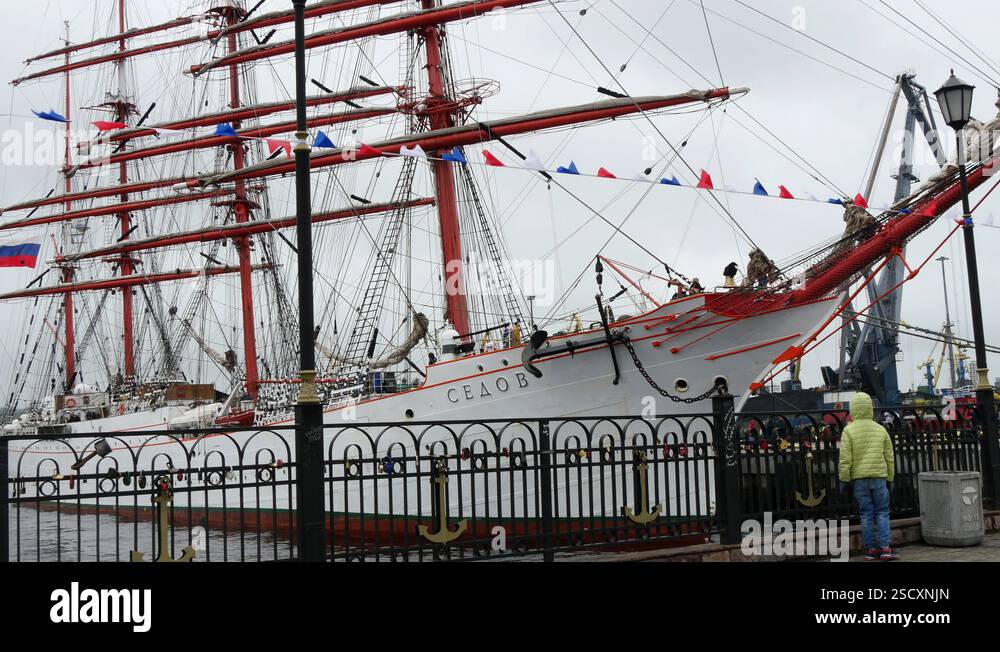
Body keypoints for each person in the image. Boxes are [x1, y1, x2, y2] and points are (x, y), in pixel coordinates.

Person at [838, 392, 897, 561]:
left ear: (853, 410)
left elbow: (845, 459)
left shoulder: (848, 431)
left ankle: (871, 550)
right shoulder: (881, 430)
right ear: (870, 408)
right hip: (879, 476)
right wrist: (891, 478)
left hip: (859, 479)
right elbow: (889, 457)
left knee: (866, 514)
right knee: (883, 512)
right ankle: (885, 549)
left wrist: (844, 479)